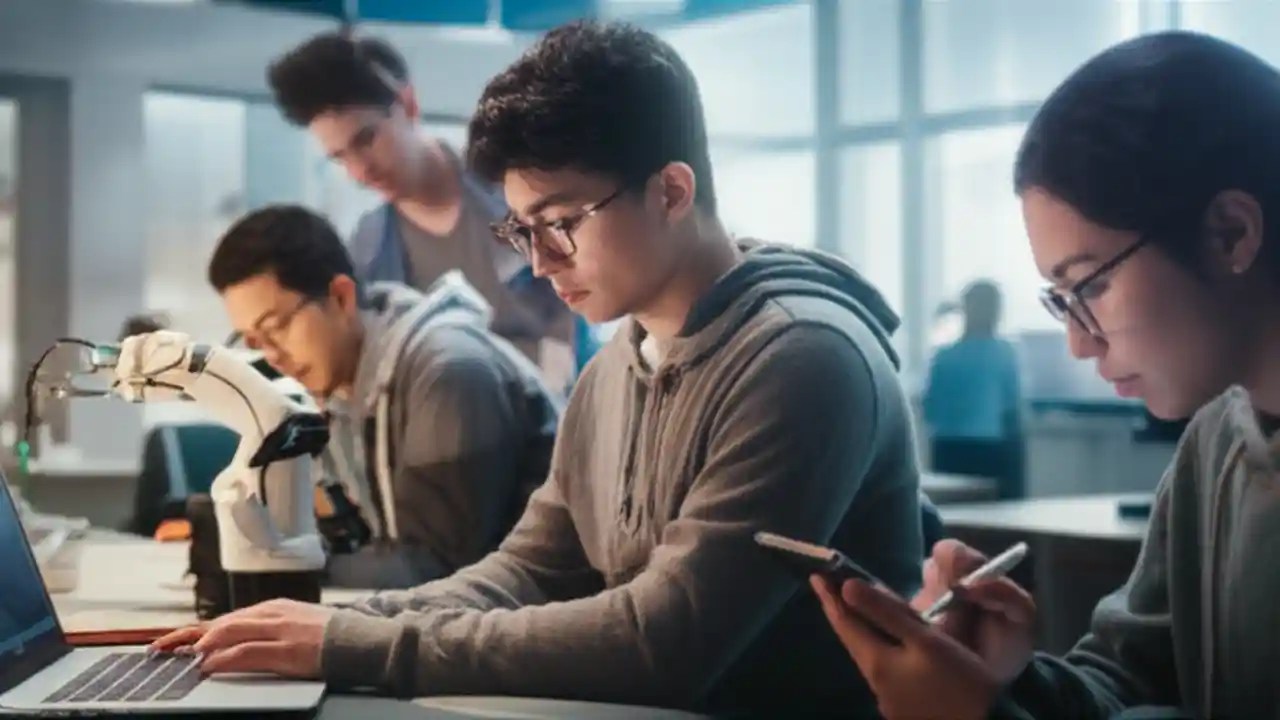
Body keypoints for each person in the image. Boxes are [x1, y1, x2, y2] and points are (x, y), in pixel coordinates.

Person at [153, 21, 924, 717]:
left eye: (560, 224)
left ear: (672, 191)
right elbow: (526, 570)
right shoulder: (616, 367)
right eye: (523, 230)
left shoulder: (803, 359)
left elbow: (668, 641)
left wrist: (354, 646)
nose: (541, 262)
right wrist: (339, 625)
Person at [812, 31, 1280, 720]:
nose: (1078, 344)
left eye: (1088, 286)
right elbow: (1130, 688)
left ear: (1230, 234)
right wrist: (1000, 681)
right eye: (1059, 302)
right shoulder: (1214, 444)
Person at [206, 204, 560, 589]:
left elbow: (438, 567)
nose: (272, 355)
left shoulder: (448, 371)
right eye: (254, 341)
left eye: (275, 327)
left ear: (341, 297)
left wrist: (280, 565)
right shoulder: (339, 392)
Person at [267, 32, 595, 395]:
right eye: (340, 157)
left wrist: (555, 412)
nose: (359, 171)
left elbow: (571, 316)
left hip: (560, 405)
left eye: (365, 140)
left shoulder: (511, 186)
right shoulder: (367, 252)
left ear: (408, 104)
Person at [922, 279, 1025, 498]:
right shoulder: (1004, 354)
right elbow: (1012, 410)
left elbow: (930, 410)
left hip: (947, 447)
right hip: (989, 448)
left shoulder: (943, 357)